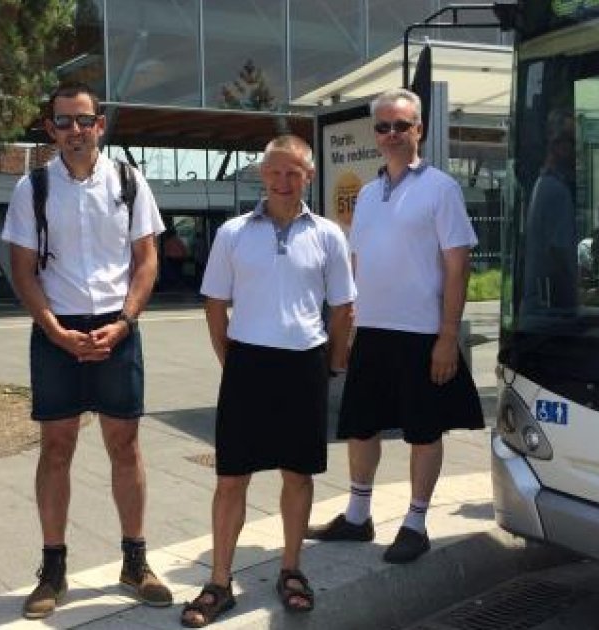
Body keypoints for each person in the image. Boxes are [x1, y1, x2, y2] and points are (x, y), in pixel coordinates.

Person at [1, 81, 171, 619]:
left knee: (125, 445)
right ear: (50, 129)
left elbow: (146, 261)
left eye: (83, 120)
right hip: (58, 329)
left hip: (117, 326)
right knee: (57, 446)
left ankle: (135, 561)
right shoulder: (34, 188)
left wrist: (124, 322)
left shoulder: (128, 179)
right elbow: (22, 268)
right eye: (63, 122)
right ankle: (52, 570)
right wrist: (52, 328)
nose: (74, 131)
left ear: (99, 124)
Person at [181, 135, 355, 627]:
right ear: (263, 175)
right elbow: (215, 304)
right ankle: (219, 581)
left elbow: (344, 307)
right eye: (275, 172)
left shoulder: (327, 235)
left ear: (309, 177)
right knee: (231, 476)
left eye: (293, 173)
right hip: (247, 366)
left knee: (297, 475)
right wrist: (228, 360)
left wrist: (335, 361)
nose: (282, 182)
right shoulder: (234, 233)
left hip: (305, 363)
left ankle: (291, 569)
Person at [306, 88, 484, 563]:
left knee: (423, 432)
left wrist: (448, 336)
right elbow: (358, 264)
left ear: (418, 130)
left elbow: (457, 267)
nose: (390, 134)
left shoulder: (441, 188)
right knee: (361, 426)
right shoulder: (366, 193)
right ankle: (358, 516)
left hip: (423, 334)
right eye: (382, 127)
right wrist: (346, 330)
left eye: (400, 126)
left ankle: (416, 523)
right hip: (375, 332)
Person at [522, 109, 578, 311]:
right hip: (553, 309)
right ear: (557, 146)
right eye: (572, 141)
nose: (575, 149)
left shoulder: (543, 183)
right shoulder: (556, 190)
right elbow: (560, 255)